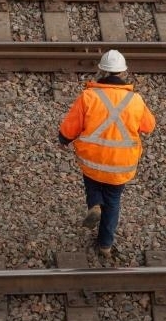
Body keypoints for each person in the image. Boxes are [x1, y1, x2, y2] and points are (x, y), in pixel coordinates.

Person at [58, 49, 156, 256]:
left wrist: (64, 140)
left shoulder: (88, 96)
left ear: (101, 71)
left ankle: (94, 204)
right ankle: (105, 244)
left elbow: (71, 126)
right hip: (121, 164)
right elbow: (149, 126)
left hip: (92, 159)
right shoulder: (135, 100)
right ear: (123, 73)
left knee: (93, 182)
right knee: (113, 200)